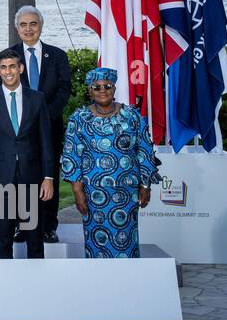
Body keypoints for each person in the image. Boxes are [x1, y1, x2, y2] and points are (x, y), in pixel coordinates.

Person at [62, 67, 162, 258]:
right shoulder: (79, 119)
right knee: (96, 241)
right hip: (94, 194)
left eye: (107, 86)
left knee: (127, 241)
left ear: (114, 88)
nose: (102, 90)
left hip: (126, 192)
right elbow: (72, 156)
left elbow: (144, 150)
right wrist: (77, 191)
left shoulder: (132, 116)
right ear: (90, 91)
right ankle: (98, 283)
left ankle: (128, 283)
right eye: (96, 87)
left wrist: (145, 184)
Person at [0, 47, 55, 259]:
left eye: (12, 66)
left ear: (20, 68)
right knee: (2, 239)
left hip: (32, 176)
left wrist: (48, 178)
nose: (8, 71)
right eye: (3, 67)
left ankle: (35, 284)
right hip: (1, 177)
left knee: (34, 238)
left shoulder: (36, 98)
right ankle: (5, 285)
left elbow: (46, 141)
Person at [15, 5, 72, 244]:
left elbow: (63, 89)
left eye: (33, 24)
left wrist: (44, 116)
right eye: (24, 25)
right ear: (17, 28)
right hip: (20, 128)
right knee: (20, 176)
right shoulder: (9, 55)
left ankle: (48, 226)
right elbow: (8, 90)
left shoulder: (57, 55)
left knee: (49, 175)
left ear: (41, 26)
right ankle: (22, 224)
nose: (29, 29)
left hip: (50, 125)